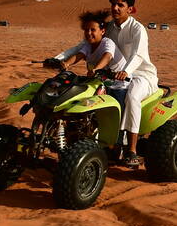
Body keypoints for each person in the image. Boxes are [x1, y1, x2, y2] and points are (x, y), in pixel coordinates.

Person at [50, 8, 132, 155]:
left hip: (118, 84)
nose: (89, 33)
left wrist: (96, 69)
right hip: (98, 82)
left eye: (92, 30)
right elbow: (79, 55)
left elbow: (107, 56)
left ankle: (119, 142)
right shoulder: (87, 45)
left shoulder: (108, 43)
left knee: (116, 111)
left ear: (102, 31)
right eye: (86, 30)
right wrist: (65, 64)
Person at [103, 0, 159, 167]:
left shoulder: (138, 29)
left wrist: (126, 71)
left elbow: (138, 55)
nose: (116, 8)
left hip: (142, 76)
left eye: (121, 5)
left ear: (130, 9)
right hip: (116, 75)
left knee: (132, 96)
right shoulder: (110, 27)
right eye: (113, 4)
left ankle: (132, 149)